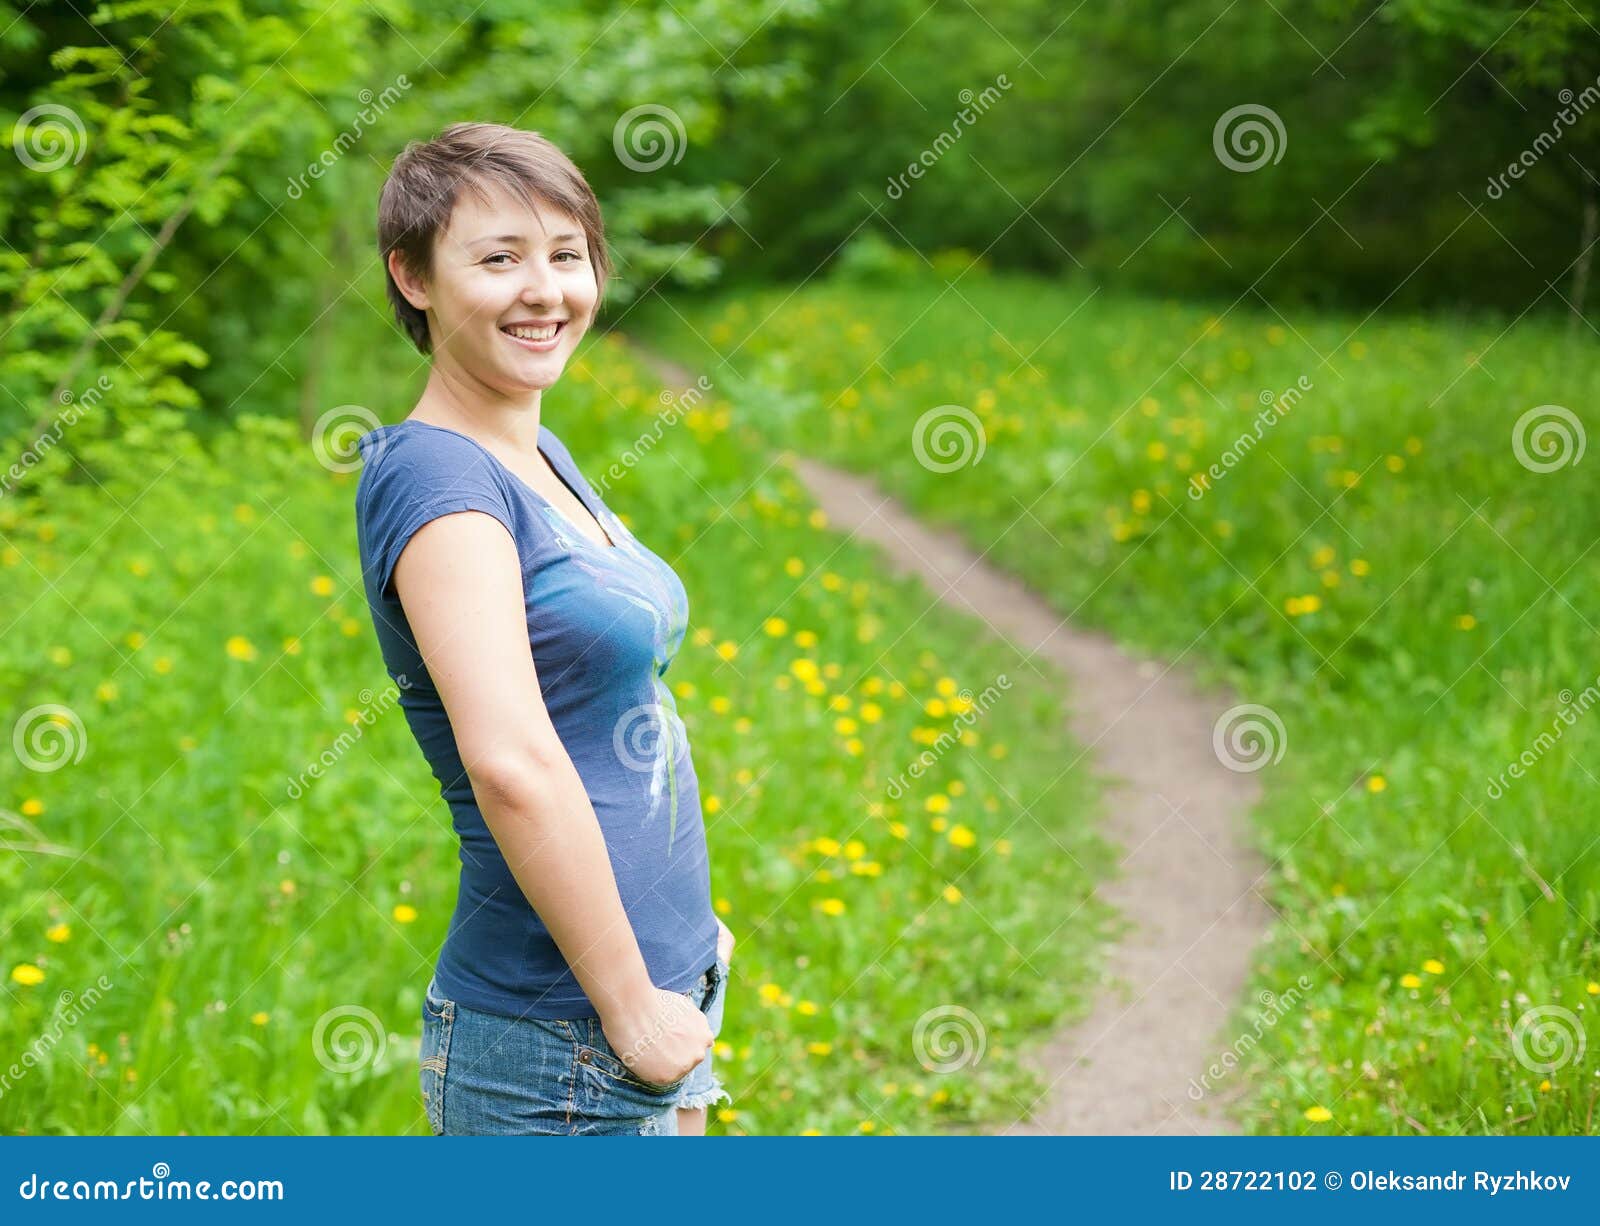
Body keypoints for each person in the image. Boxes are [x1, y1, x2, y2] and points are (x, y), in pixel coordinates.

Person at [353, 121, 733, 1136]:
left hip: (658, 990)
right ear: (414, 276)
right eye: (499, 258)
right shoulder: (438, 480)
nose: (545, 289)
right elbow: (513, 762)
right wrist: (626, 1002)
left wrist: (680, 945)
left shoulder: (535, 447)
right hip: (559, 1039)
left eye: (567, 255)